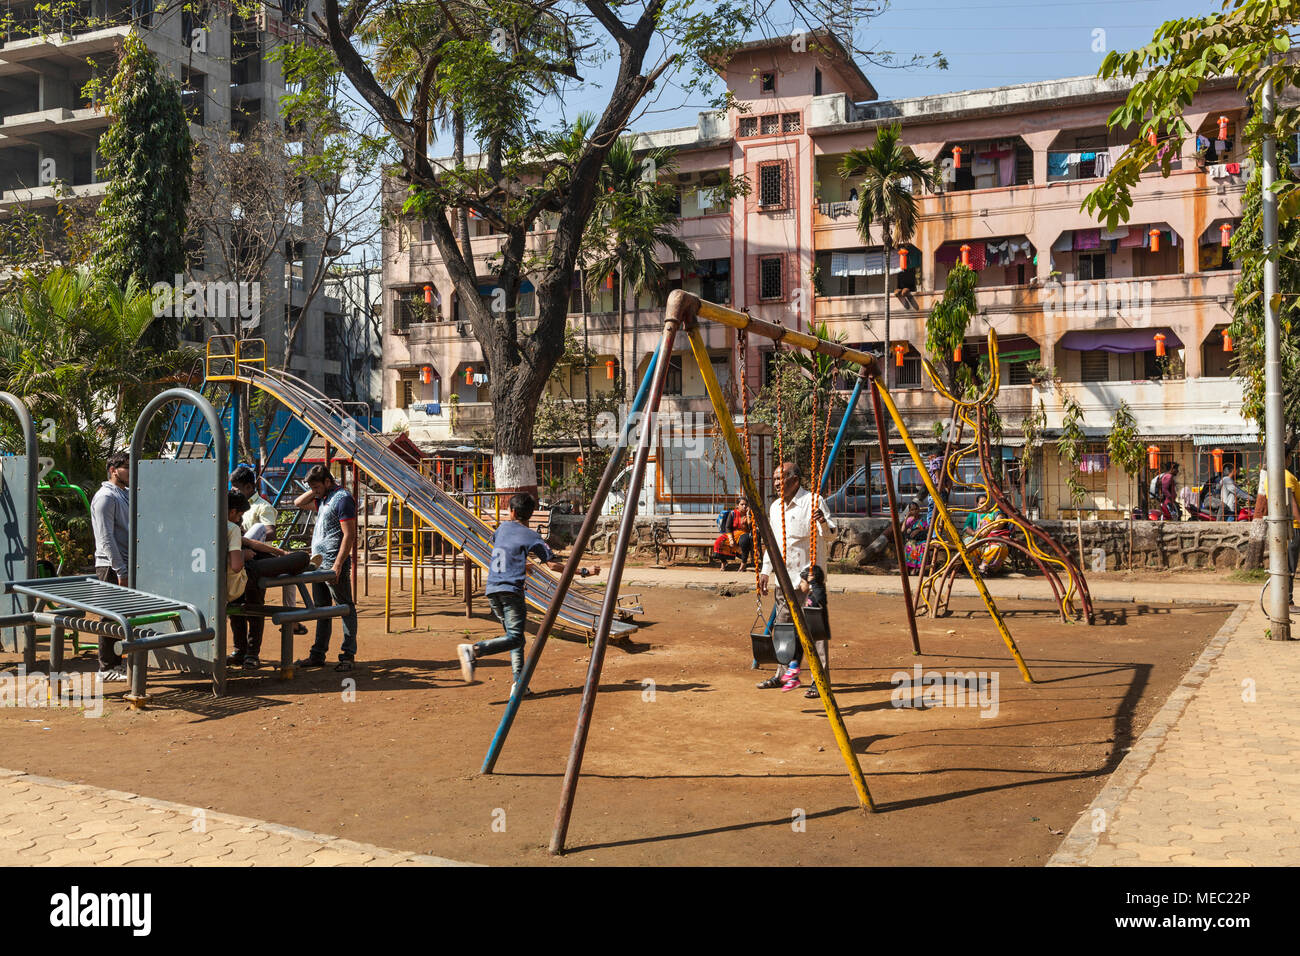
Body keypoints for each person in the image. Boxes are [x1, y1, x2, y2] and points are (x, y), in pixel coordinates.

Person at [457, 493, 599, 697]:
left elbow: (505, 551)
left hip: (492, 589)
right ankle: (476, 650)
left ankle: (519, 683)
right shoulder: (532, 536)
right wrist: (583, 572)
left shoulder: (501, 529)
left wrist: (521, 563)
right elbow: (553, 565)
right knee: (515, 638)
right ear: (530, 515)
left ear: (511, 512)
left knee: (514, 638)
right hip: (511, 591)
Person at [756, 462, 836, 691]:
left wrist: (821, 520)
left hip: (809, 580)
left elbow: (830, 535)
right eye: (775, 479)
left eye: (782, 478)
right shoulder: (775, 507)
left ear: (796, 479)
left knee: (815, 632)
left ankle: (819, 680)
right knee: (782, 628)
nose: (778, 483)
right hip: (784, 579)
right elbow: (773, 544)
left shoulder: (812, 501)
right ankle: (782, 674)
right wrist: (765, 571)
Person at [226, 492, 310, 670]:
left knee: (238, 613)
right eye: (240, 515)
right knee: (301, 557)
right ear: (233, 512)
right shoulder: (231, 528)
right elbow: (236, 564)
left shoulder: (216, 524)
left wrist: (280, 553)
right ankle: (250, 653)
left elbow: (250, 542)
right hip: (246, 573)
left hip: (235, 581)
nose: (240, 519)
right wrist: (243, 555)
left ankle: (241, 651)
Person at [292, 465, 359, 671]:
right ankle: (318, 654)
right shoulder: (322, 499)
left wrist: (338, 564)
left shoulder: (343, 499)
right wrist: (315, 490)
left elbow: (349, 535)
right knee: (322, 610)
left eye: (317, 486)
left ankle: (347, 655)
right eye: (312, 487)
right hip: (318, 564)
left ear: (328, 482)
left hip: (333, 563)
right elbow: (298, 503)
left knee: (345, 607)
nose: (314, 490)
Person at [230, 466, 308, 635]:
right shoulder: (232, 506)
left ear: (249, 487)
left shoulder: (261, 507)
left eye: (236, 488)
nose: (233, 491)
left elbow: (270, 531)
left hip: (252, 550)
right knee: (242, 608)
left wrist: (245, 533)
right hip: (241, 549)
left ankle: (291, 619)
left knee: (257, 602)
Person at [90, 451, 131, 681]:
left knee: (121, 615)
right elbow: (105, 538)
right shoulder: (106, 497)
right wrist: (120, 570)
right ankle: (106, 667)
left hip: (123, 564)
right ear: (113, 470)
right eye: (126, 467)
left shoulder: (124, 494)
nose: (131, 471)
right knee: (109, 615)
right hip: (110, 566)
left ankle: (116, 663)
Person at [1254, 446, 1300, 607]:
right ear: (1285, 458)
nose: (1291, 459)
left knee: (1285, 564)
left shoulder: (1272, 476)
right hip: (1292, 527)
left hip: (1283, 526)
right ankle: (1287, 601)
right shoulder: (1285, 476)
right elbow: (1291, 504)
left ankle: (1285, 599)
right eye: (1290, 456)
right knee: (1289, 565)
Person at [783, 564, 830, 699]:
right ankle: (793, 675)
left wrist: (813, 582)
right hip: (808, 629)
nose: (799, 585)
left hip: (817, 630)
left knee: (812, 654)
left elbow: (820, 598)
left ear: (810, 583)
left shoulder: (819, 591)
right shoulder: (810, 593)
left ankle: (817, 681)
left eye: (802, 582)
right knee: (796, 648)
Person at [711, 499, 754, 570]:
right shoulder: (733, 513)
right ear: (737, 505)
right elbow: (728, 527)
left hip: (745, 533)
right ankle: (724, 562)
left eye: (746, 504)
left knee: (744, 540)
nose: (744, 506)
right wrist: (731, 539)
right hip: (732, 533)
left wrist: (748, 514)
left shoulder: (750, 514)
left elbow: (750, 527)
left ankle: (743, 563)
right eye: (742, 504)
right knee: (719, 542)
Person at [902, 501, 927, 573]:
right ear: (910, 511)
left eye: (916, 509)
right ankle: (910, 567)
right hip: (913, 540)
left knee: (921, 547)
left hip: (922, 539)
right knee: (909, 546)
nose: (915, 511)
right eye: (912, 510)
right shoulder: (910, 520)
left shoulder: (924, 518)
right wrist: (906, 517)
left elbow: (927, 528)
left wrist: (918, 530)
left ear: (919, 509)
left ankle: (918, 568)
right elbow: (903, 529)